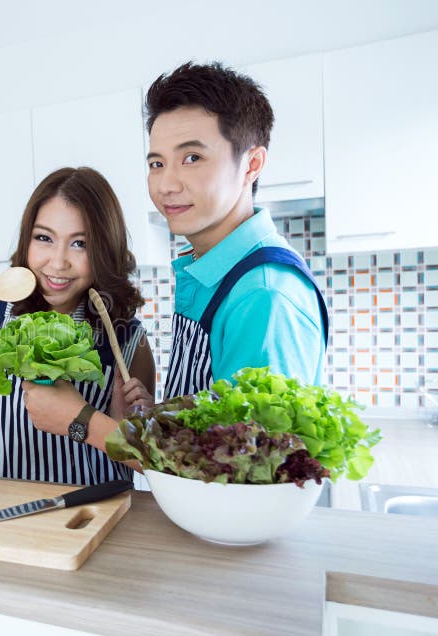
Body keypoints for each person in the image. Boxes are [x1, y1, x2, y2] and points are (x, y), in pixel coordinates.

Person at [24, 61, 328, 437]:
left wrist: (82, 422)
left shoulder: (264, 295)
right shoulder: (208, 272)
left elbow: (251, 473)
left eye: (192, 158)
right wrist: (165, 420)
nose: (166, 184)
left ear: (252, 163)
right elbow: (212, 441)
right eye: (156, 162)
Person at [0, 166, 155, 485]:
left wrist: (128, 422)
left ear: (104, 249)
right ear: (27, 239)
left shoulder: (128, 340)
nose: (58, 261)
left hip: (90, 516)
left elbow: (143, 460)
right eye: (44, 238)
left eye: (80, 243)